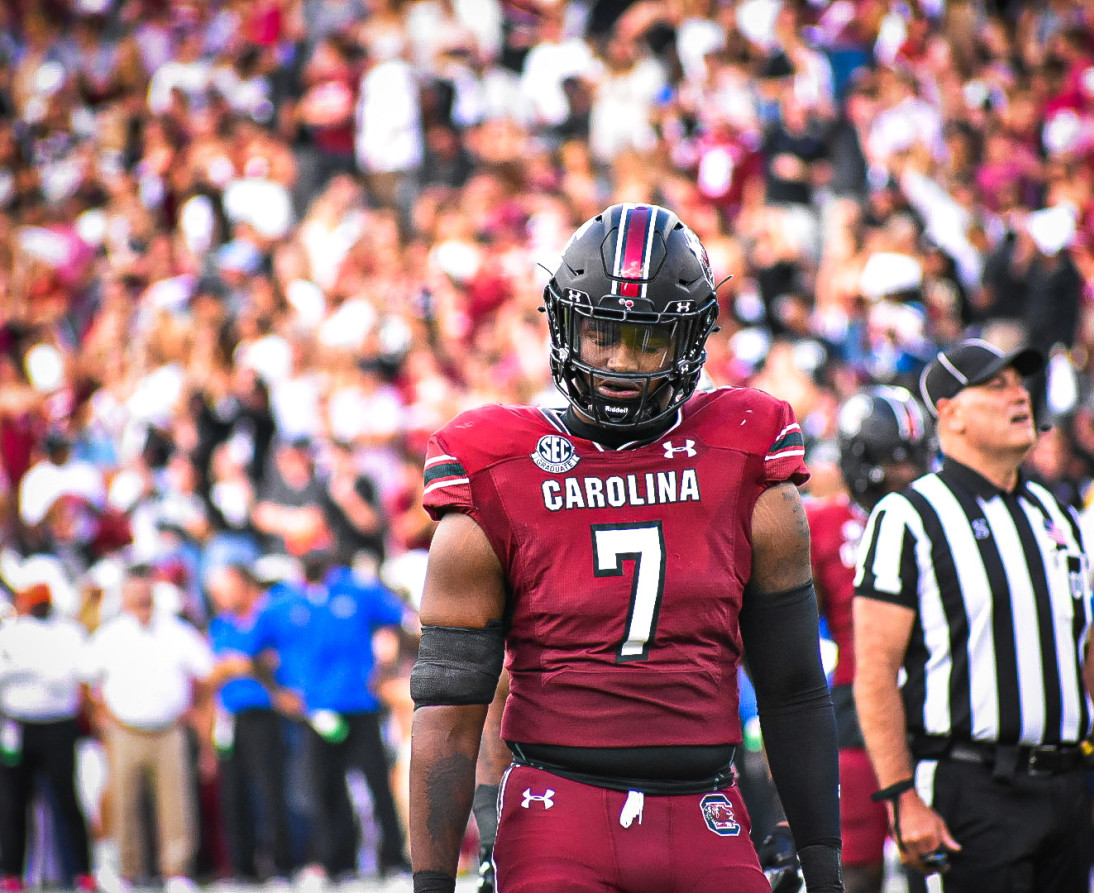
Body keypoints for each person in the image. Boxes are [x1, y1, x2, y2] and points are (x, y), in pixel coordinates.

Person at [408, 203, 843, 893]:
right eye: (602, 332)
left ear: (691, 342)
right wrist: (434, 882)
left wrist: (820, 865)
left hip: (705, 806)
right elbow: (450, 706)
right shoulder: (498, 465)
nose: (619, 361)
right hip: (559, 811)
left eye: (648, 340)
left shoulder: (743, 454)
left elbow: (791, 688)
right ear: (564, 324)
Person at [852, 338, 1094, 893]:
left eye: (1021, 383)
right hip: (972, 789)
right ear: (951, 413)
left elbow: (1085, 659)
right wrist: (901, 797)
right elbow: (875, 670)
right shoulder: (909, 516)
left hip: (1065, 787)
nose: (1020, 396)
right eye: (996, 385)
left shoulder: (1053, 514)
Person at [807, 385, 932, 893]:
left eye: (914, 460)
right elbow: (780, 631)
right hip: (854, 714)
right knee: (854, 870)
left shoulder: (940, 517)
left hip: (932, 709)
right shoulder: (822, 524)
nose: (908, 474)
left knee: (935, 864)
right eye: (896, 461)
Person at [237, 553, 411, 884]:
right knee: (323, 789)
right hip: (314, 710)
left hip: (358, 703)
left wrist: (386, 668)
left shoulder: (356, 590)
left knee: (377, 784)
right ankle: (335, 862)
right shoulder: (281, 602)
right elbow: (252, 651)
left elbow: (398, 620)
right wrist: (277, 691)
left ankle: (394, 861)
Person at [80, 564, 215, 893]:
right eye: (135, 596)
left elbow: (205, 672)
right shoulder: (111, 635)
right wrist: (100, 714)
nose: (141, 601)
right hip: (125, 729)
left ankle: (177, 872)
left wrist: (195, 713)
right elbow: (86, 678)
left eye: (145, 595)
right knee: (124, 803)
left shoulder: (174, 631)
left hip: (169, 728)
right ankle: (128, 872)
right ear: (125, 599)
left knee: (176, 803)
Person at [0, 582, 94, 892]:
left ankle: (82, 872)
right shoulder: (9, 632)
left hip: (59, 724)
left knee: (67, 799)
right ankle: (12, 874)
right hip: (18, 725)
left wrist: (27, 669)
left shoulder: (67, 632)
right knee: (14, 804)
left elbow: (70, 673)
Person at [206, 564, 293, 884]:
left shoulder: (266, 617)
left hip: (263, 714)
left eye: (226, 590)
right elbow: (212, 673)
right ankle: (242, 866)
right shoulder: (221, 625)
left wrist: (243, 665)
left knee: (270, 790)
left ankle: (280, 863)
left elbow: (272, 662)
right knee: (234, 793)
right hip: (231, 716)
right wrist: (238, 666)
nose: (220, 598)